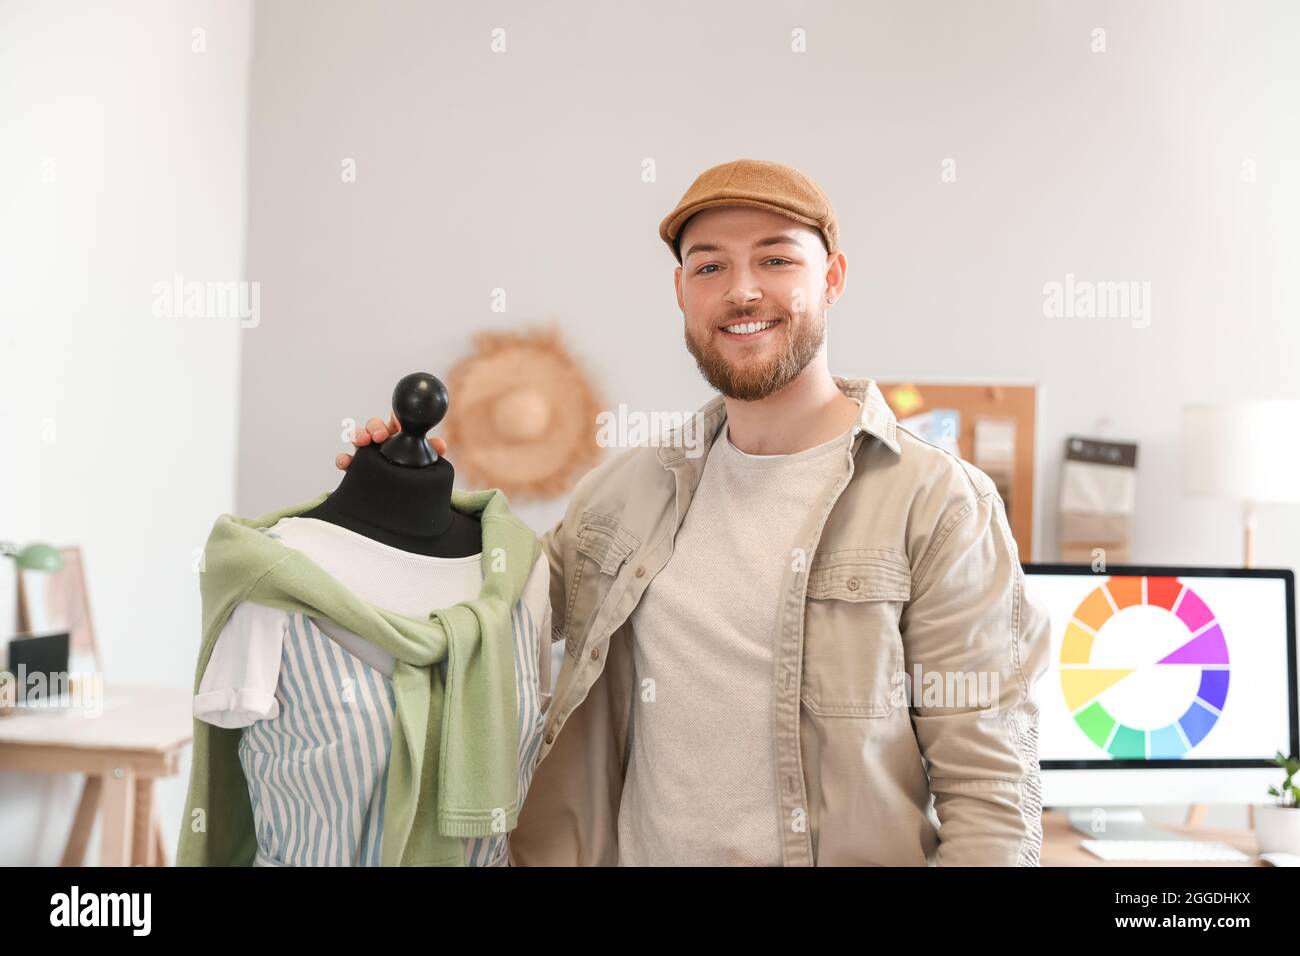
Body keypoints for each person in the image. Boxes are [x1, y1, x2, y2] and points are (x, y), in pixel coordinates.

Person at [338, 158, 1052, 866]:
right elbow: (496, 606)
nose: (742, 291)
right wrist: (398, 497)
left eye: (775, 259)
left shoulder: (938, 504)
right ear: (682, 291)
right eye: (709, 267)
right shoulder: (627, 490)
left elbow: (991, 792)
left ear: (831, 278)